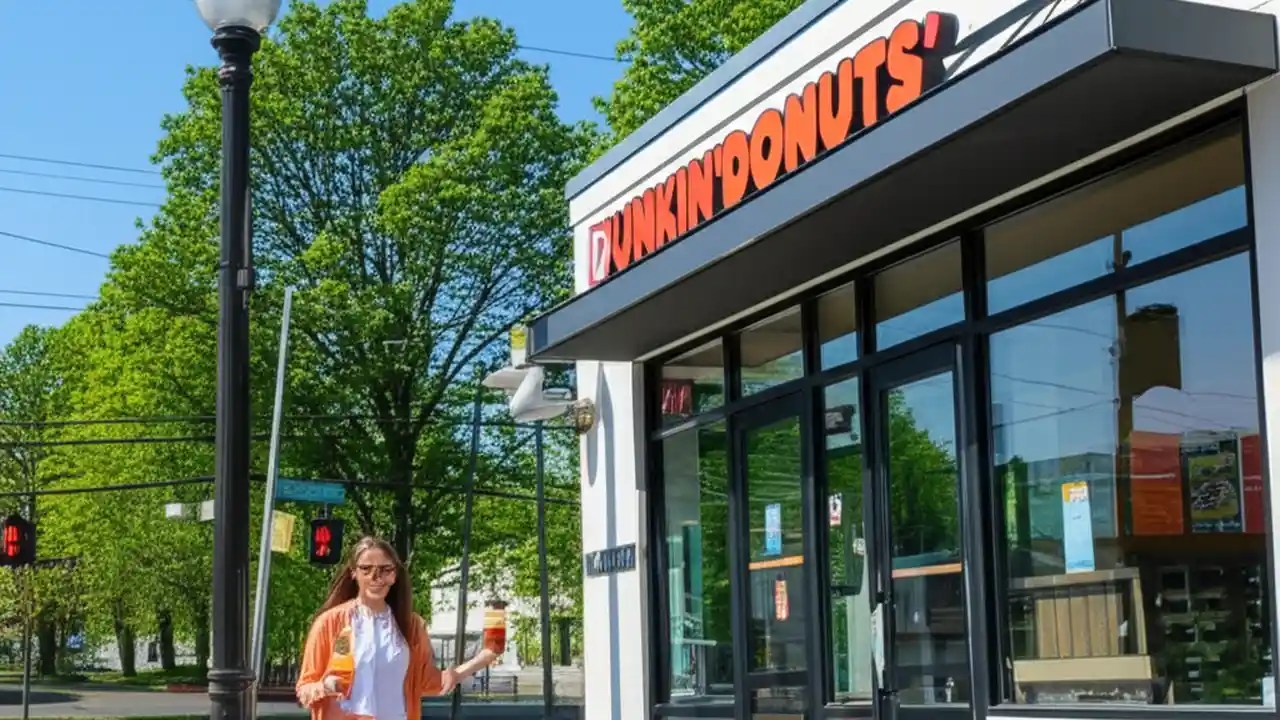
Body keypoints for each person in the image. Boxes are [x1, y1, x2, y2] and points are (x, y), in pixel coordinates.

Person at [295, 536, 499, 720]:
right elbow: (305, 689)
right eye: (366, 569)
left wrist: (483, 658)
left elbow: (430, 682)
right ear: (354, 573)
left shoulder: (411, 625)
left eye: (386, 570)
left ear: (395, 575)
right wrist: (325, 686)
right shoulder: (329, 623)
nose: (377, 577)